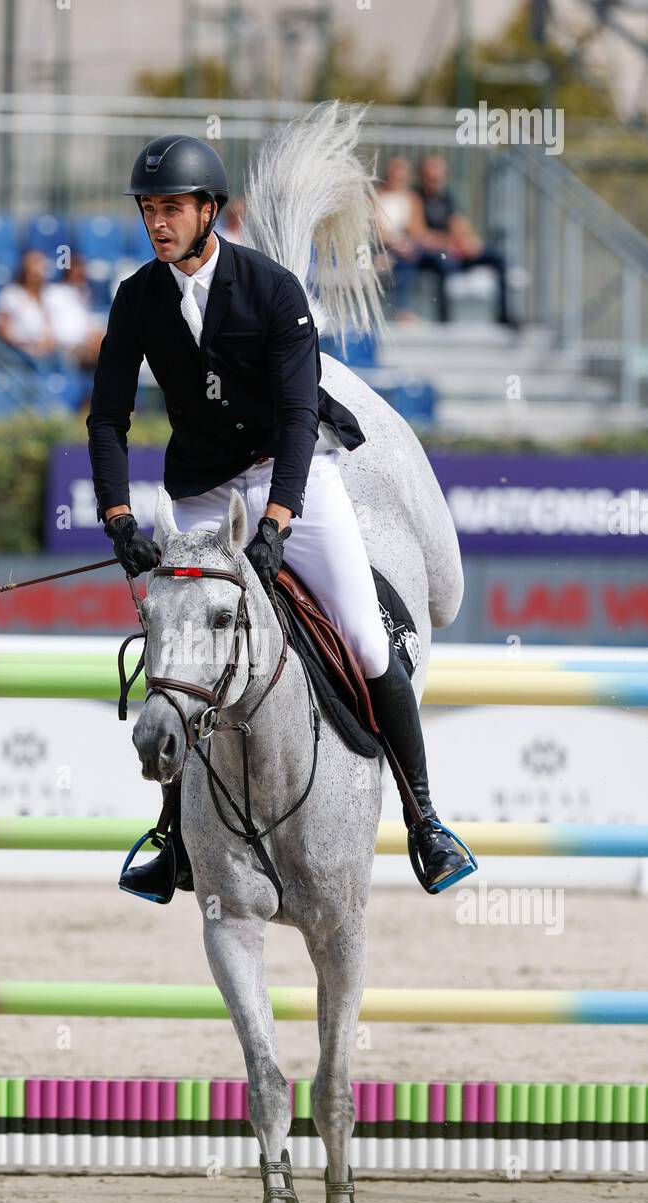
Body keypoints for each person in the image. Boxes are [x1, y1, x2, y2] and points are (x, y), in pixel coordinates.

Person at [86, 133, 476, 902]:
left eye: (172, 208)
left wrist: (277, 523)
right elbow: (108, 420)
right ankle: (173, 838)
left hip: (287, 473)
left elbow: (300, 417)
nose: (158, 223)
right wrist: (120, 516)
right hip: (199, 492)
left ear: (208, 213)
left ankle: (425, 820)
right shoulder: (137, 297)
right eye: (149, 209)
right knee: (183, 657)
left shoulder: (270, 290)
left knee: (365, 637)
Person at [414, 155, 515, 327]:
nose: (435, 182)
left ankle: (504, 315)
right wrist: (446, 243)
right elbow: (419, 232)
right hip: (435, 253)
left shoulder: (449, 197)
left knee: (498, 259)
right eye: (431, 178)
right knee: (443, 263)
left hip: (455, 248)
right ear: (422, 177)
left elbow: (460, 223)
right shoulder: (415, 198)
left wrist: (469, 241)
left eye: (439, 177)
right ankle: (445, 320)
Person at [375, 156, 427, 321]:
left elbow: (418, 230)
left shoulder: (412, 199)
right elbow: (375, 230)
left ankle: (402, 308)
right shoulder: (376, 197)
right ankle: (399, 309)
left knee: (409, 257)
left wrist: (405, 243)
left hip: (405, 247)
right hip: (381, 245)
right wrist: (394, 243)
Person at [0, 248, 59, 364]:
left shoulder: (49, 296)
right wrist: (26, 343)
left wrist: (46, 344)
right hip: (19, 354)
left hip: (46, 353)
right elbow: (2, 330)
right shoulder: (10, 294)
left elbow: (51, 328)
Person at [43, 253, 105, 370]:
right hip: (65, 346)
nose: (80, 274)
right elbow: (51, 324)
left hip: (83, 343)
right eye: (76, 270)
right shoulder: (53, 292)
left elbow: (86, 324)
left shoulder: (83, 294)